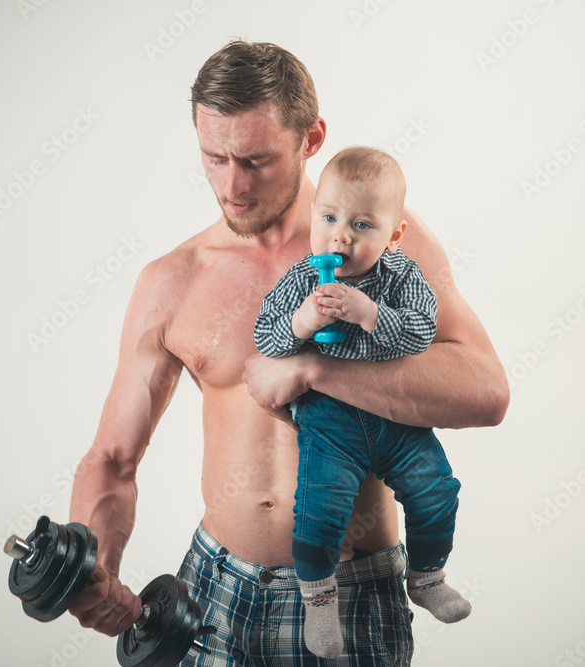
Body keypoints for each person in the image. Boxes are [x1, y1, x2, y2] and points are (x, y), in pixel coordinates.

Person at [67, 40, 509, 666]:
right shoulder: (173, 281)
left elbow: (485, 391)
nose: (233, 185)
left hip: (353, 593)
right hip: (214, 589)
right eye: (215, 158)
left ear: (311, 139)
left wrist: (312, 369)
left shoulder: (382, 240)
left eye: (256, 160)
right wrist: (94, 568)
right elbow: (112, 458)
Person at [254, 145, 473, 658]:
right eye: (329, 218)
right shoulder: (302, 280)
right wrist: (302, 322)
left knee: (437, 490)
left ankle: (426, 577)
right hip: (329, 421)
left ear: (394, 235)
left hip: (395, 415)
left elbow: (421, 331)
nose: (341, 236)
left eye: (362, 225)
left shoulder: (402, 276)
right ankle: (318, 598)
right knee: (319, 508)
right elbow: (265, 337)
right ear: (313, 215)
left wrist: (368, 313)